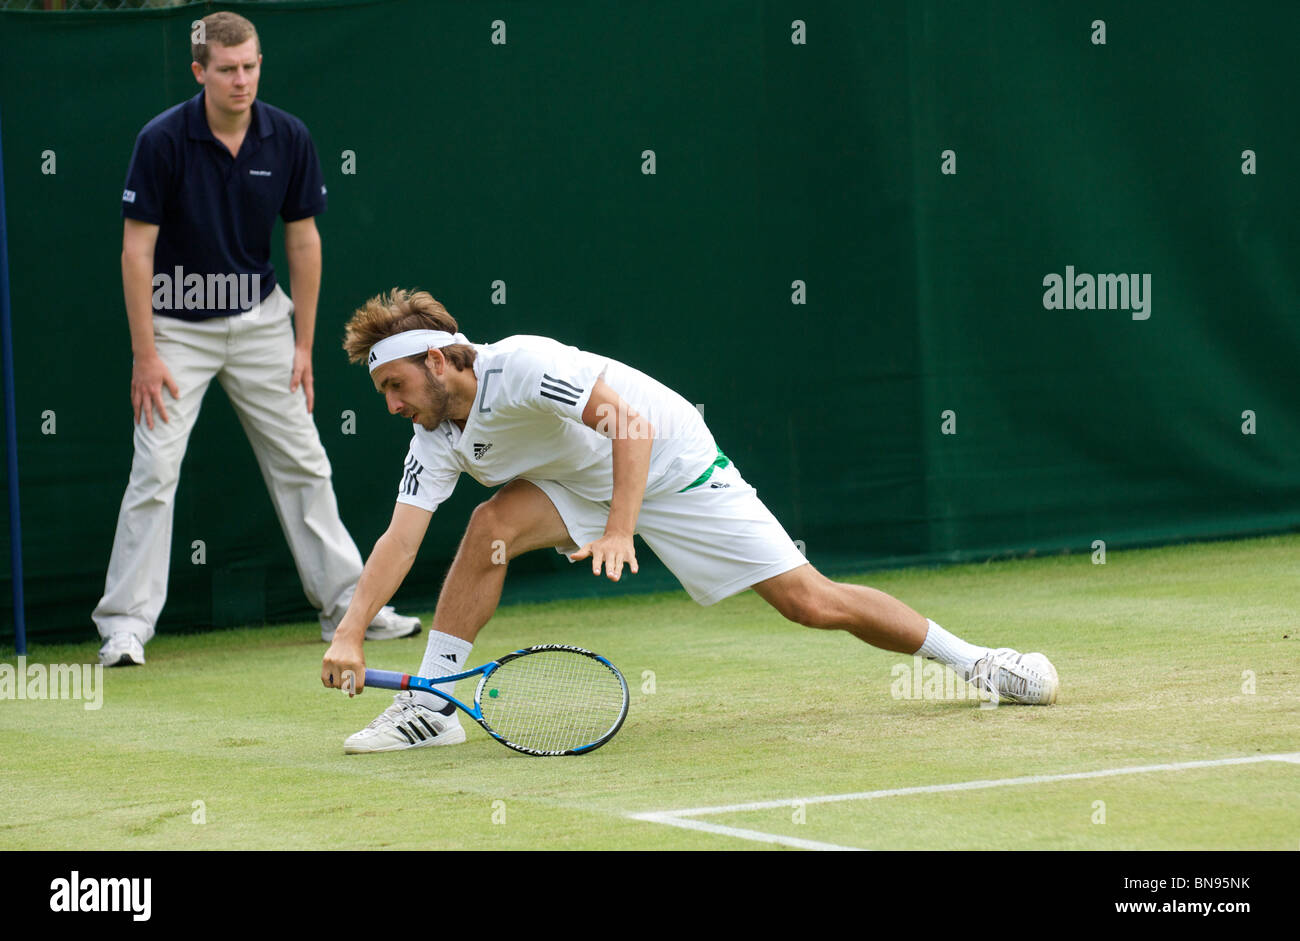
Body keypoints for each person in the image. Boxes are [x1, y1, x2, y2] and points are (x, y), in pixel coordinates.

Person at [320, 289, 1060, 752]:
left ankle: (981, 662)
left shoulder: (521, 363)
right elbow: (401, 538)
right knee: (490, 526)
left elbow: (628, 426)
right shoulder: (434, 436)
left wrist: (619, 528)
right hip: (575, 479)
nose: (390, 404)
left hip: (669, 461)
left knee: (809, 601)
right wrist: (350, 632)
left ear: (443, 359)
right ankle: (434, 702)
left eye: (395, 384)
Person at [94, 12, 420, 667]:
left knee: (305, 460)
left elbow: (303, 239)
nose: (241, 80)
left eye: (250, 66)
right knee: (155, 471)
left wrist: (301, 346)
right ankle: (125, 626)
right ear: (200, 72)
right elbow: (137, 251)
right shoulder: (161, 141)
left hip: (263, 320)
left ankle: (351, 605)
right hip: (176, 327)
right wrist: (145, 354)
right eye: (226, 69)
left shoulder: (289, 137)